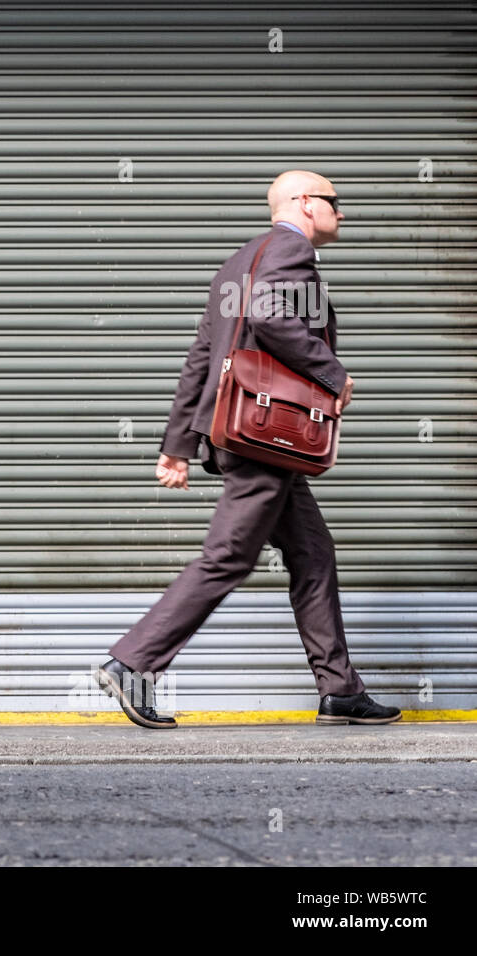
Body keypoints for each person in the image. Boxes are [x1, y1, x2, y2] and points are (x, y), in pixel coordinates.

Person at [93, 170, 401, 730]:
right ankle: (134, 660)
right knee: (229, 556)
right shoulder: (291, 249)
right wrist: (333, 375)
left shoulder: (238, 261)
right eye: (335, 202)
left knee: (313, 555)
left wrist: (179, 444)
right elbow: (270, 317)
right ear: (306, 203)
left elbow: (202, 356)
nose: (342, 212)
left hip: (245, 434)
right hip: (266, 439)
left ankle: (340, 691)